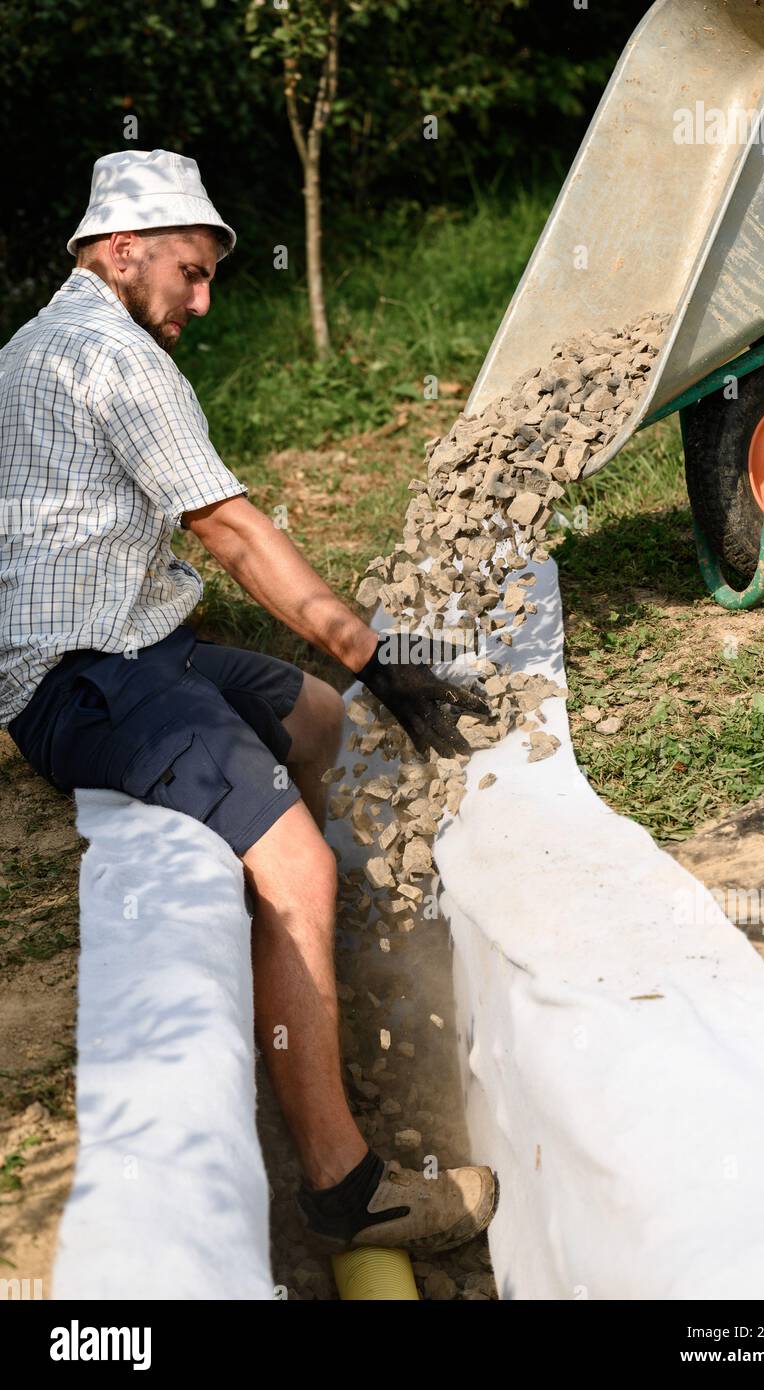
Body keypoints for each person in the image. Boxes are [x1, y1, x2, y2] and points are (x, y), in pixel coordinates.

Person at [0, 149, 498, 1255]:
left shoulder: (47, 340)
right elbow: (227, 531)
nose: (205, 298)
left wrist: (344, 678)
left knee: (315, 720)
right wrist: (376, 654)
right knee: (293, 861)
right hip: (86, 680)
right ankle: (343, 1187)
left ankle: (321, 974)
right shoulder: (108, 357)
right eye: (191, 271)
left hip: (139, 647)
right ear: (123, 251)